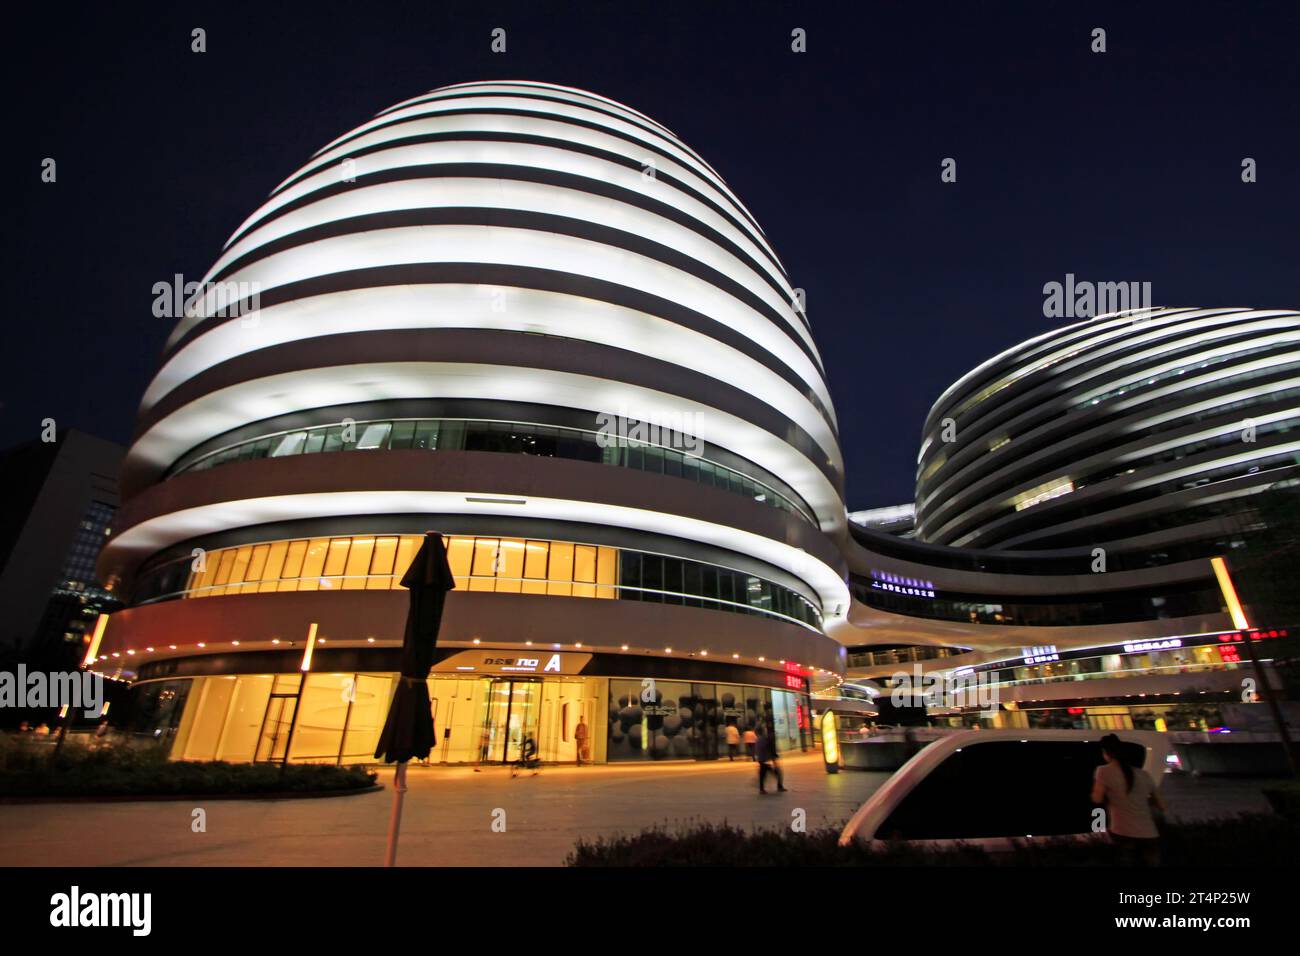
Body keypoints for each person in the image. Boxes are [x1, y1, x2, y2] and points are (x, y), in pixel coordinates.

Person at [1091, 733, 1164, 865]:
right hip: (1150, 834)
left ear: (1106, 753)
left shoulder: (1103, 771)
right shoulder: (1144, 774)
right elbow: (1162, 805)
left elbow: (1096, 798)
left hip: (1123, 831)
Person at [756, 726, 787, 794]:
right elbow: (768, 749)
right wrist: (773, 758)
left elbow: (759, 751)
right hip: (766, 760)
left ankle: (762, 789)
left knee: (762, 775)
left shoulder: (758, 740)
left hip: (762, 760)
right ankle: (779, 786)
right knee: (777, 773)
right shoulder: (764, 739)